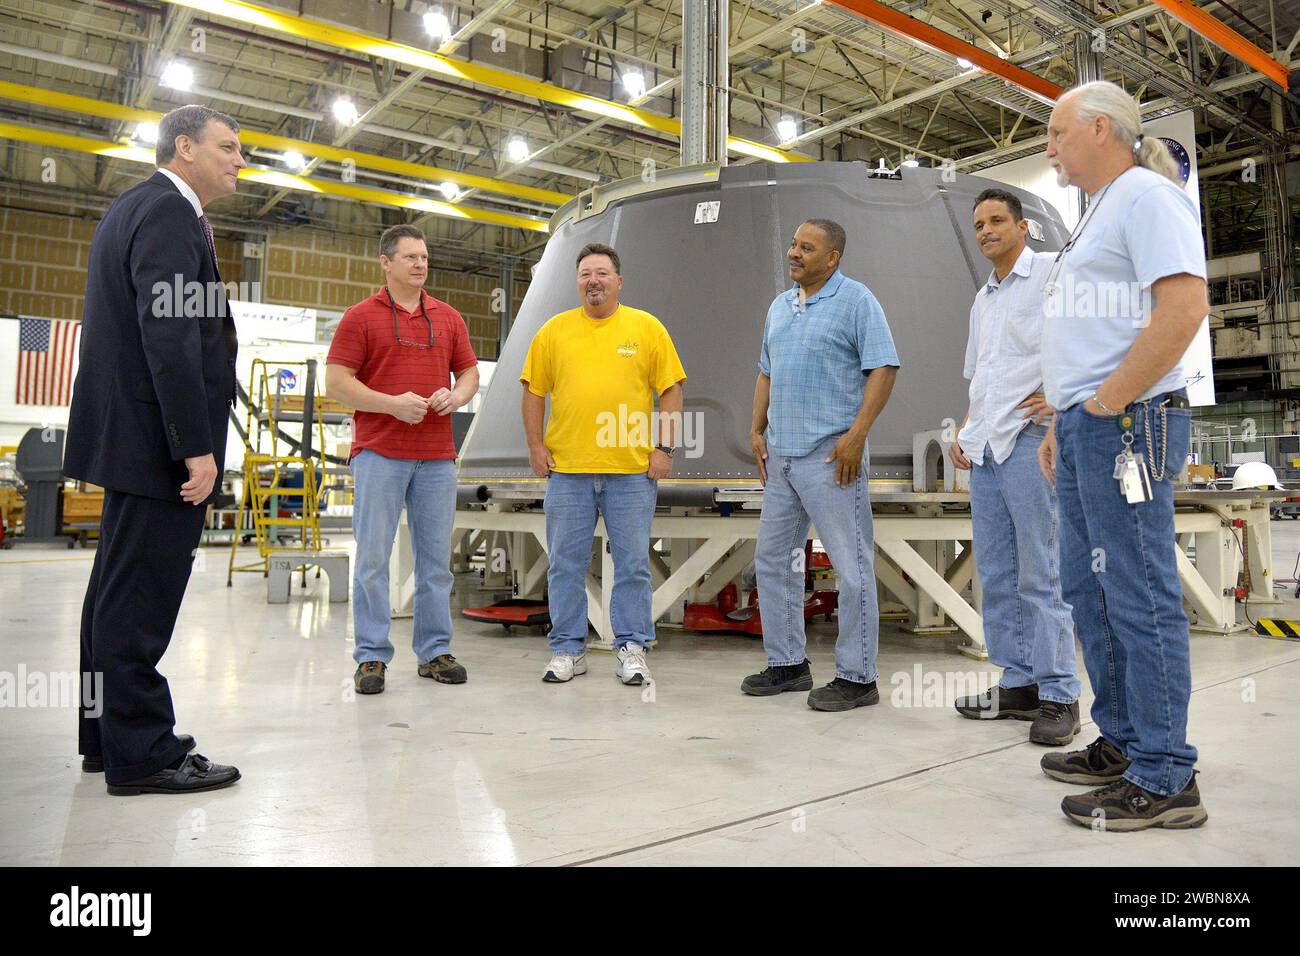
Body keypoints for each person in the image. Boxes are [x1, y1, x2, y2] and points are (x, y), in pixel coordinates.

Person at [1038, 81, 1209, 831]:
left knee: (1137, 595)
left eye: (1054, 133)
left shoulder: (1144, 196)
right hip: (1087, 426)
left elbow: (1183, 309)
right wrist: (1064, 419)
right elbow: (1088, 332)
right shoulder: (1100, 212)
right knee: (1090, 590)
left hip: (1128, 422)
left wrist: (1107, 404)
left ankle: (1168, 773)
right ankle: (1127, 740)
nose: (1047, 148)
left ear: (1099, 128)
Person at [64, 104, 245, 795]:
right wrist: (194, 446)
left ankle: (103, 736)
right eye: (227, 147)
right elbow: (168, 338)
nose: (238, 160)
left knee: (112, 594)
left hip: (129, 438)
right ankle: (143, 752)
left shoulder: (131, 210)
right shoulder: (169, 215)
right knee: (140, 599)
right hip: (156, 445)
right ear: (184, 146)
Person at [742, 219, 899, 712]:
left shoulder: (856, 301)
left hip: (832, 457)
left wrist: (857, 437)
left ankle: (858, 676)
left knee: (851, 569)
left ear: (832, 258)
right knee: (774, 561)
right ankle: (788, 663)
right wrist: (755, 429)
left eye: (806, 248)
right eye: (792, 244)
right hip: (782, 459)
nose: (794, 253)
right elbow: (766, 371)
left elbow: (884, 367)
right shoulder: (779, 305)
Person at [948, 189, 1082, 745]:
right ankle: (1018, 680)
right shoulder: (984, 299)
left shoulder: (1053, 272)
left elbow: (1088, 337)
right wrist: (966, 426)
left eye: (996, 220)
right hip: (986, 449)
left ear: (1024, 227)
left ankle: (1060, 693)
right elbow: (982, 373)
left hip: (1031, 441)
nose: (985, 231)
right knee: (998, 572)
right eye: (978, 224)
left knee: (1041, 569)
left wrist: (1062, 397)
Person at [520, 243, 686, 685]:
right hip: (568, 471)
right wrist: (536, 446)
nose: (593, 280)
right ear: (577, 282)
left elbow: (670, 390)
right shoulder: (553, 332)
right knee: (564, 565)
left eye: (602, 273)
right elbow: (534, 392)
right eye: (585, 274)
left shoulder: (646, 328)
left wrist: (665, 449)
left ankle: (632, 647)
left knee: (632, 564)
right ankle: (567, 650)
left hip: (631, 472)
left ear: (618, 281)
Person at [326, 225, 479, 695]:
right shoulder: (360, 318)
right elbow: (336, 383)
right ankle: (371, 656)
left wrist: (455, 396)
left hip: (436, 457)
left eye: (425, 257)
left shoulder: (448, 317)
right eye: (410, 257)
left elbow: (470, 372)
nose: (420, 264)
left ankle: (434, 651)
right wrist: (391, 404)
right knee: (373, 558)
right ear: (385, 262)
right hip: (379, 454)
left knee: (436, 562)